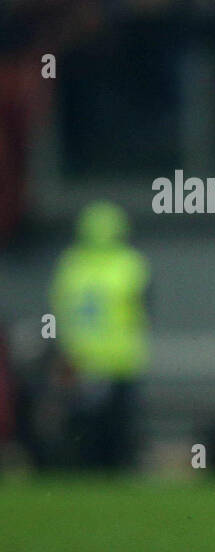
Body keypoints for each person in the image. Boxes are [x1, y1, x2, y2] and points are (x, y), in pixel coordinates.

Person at [49, 201, 150, 470]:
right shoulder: (129, 263)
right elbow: (144, 306)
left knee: (85, 427)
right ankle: (119, 468)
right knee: (118, 427)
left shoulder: (71, 264)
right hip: (120, 357)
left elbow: (58, 309)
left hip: (80, 357)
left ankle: (83, 469)